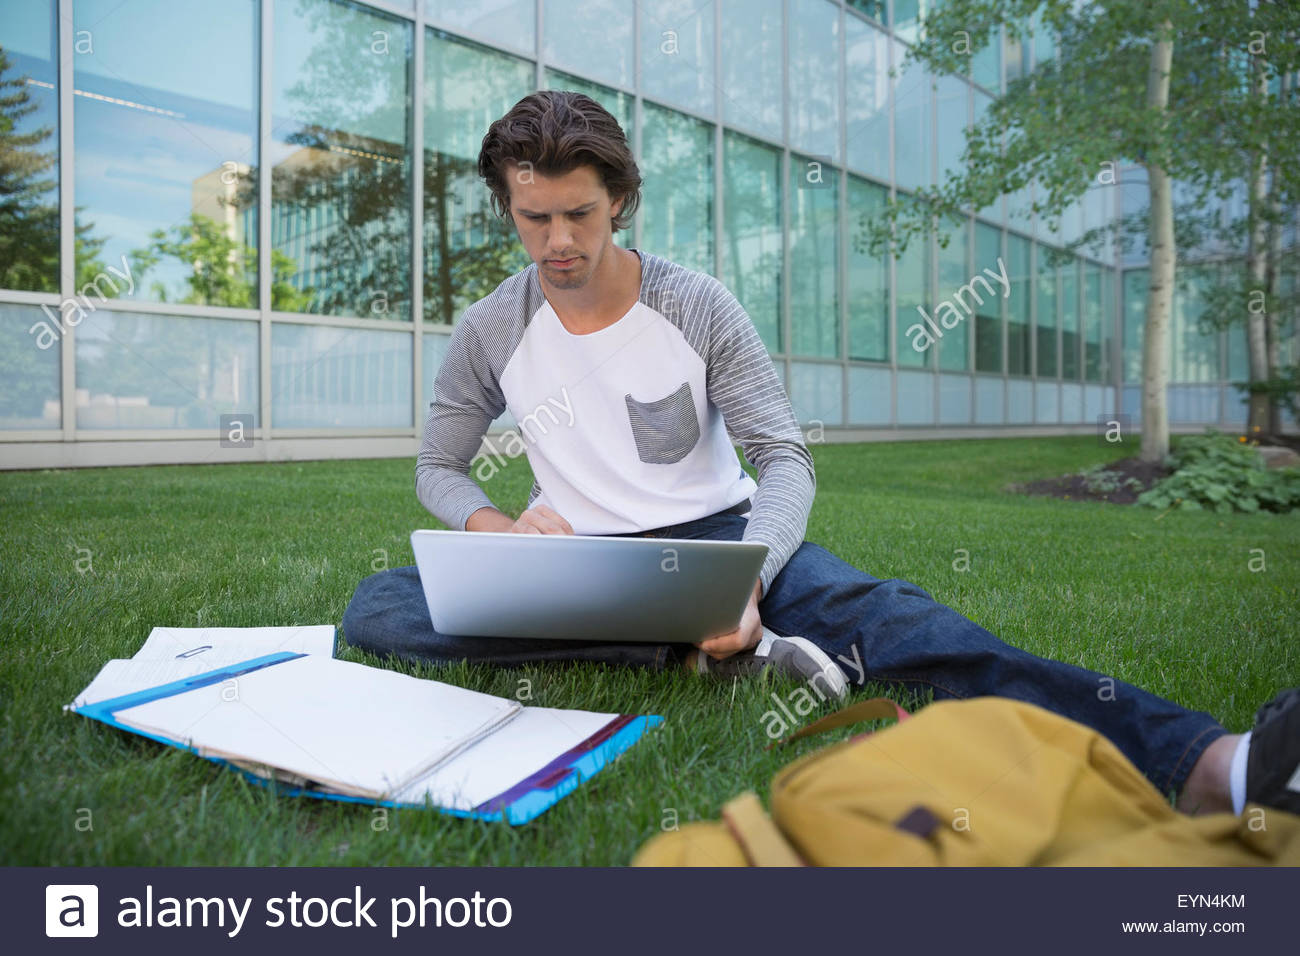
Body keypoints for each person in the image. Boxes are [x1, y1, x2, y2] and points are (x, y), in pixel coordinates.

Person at [343, 90, 1298, 820]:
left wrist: (743, 575)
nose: (556, 242)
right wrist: (500, 529)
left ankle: (1214, 765)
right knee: (377, 606)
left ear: (621, 201)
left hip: (724, 536)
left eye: (579, 216)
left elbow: (785, 459)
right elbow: (440, 465)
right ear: (506, 207)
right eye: (533, 217)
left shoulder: (697, 305)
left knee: (902, 625)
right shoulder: (489, 329)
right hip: (575, 559)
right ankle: (698, 649)